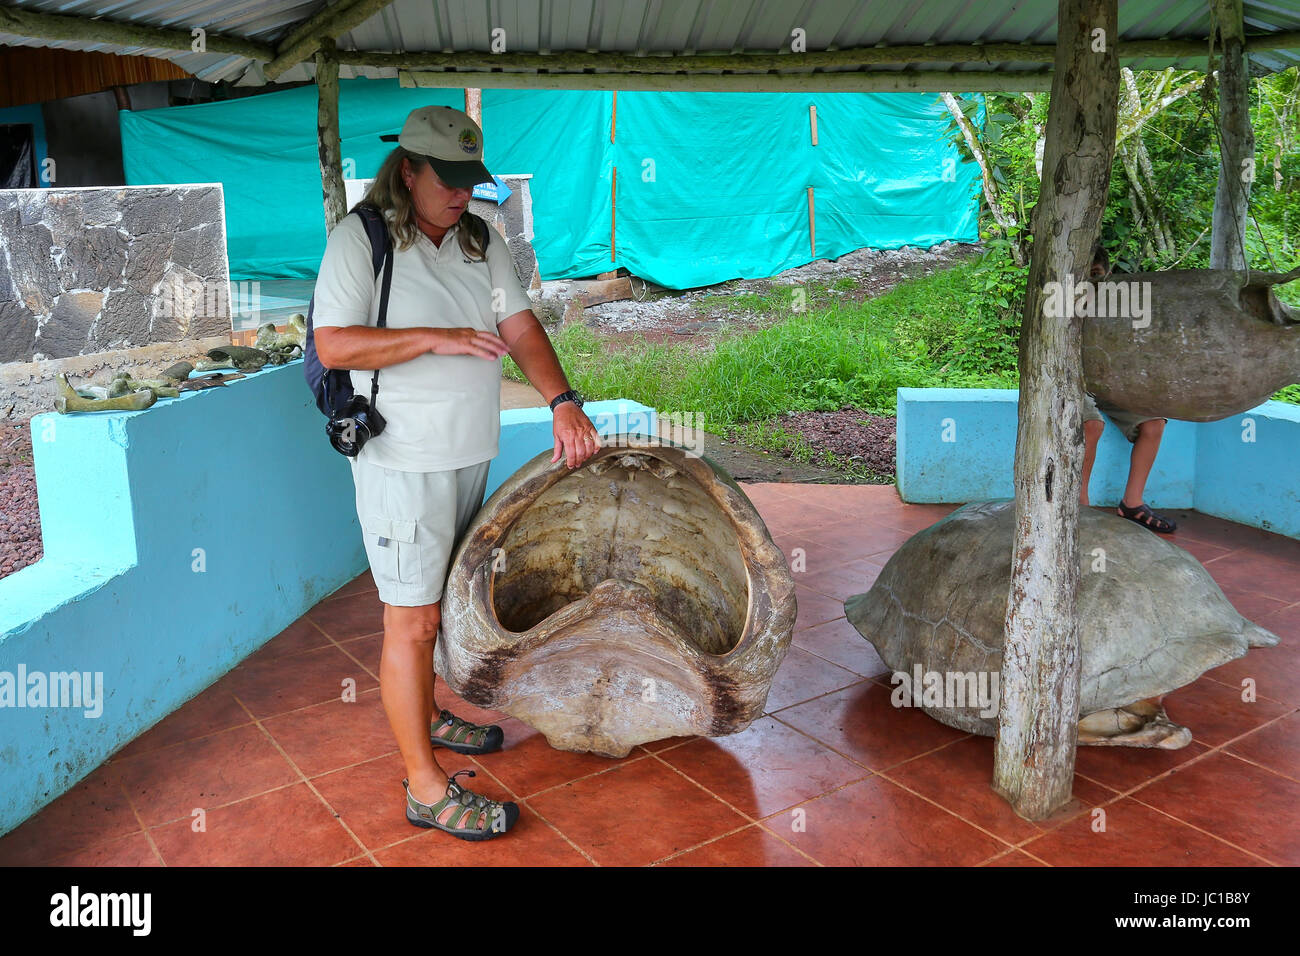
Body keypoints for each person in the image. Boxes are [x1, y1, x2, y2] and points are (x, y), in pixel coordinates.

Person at [312, 106, 603, 840]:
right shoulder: (361, 239)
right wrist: (435, 337)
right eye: (447, 180)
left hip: (469, 453)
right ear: (407, 171)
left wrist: (562, 401)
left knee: (444, 599)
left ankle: (431, 713)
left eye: (470, 180)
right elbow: (336, 343)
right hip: (402, 462)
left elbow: (519, 326)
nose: (461, 194)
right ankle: (423, 787)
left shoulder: (479, 238)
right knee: (411, 622)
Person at [1079, 246, 1176, 533]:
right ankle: (1080, 506)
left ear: (1108, 274)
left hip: (1108, 382)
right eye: (1085, 276)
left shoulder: (1121, 302)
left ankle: (1132, 503)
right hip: (1071, 381)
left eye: (1096, 274)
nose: (1092, 281)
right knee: (1091, 425)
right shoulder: (1061, 302)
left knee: (1154, 422)